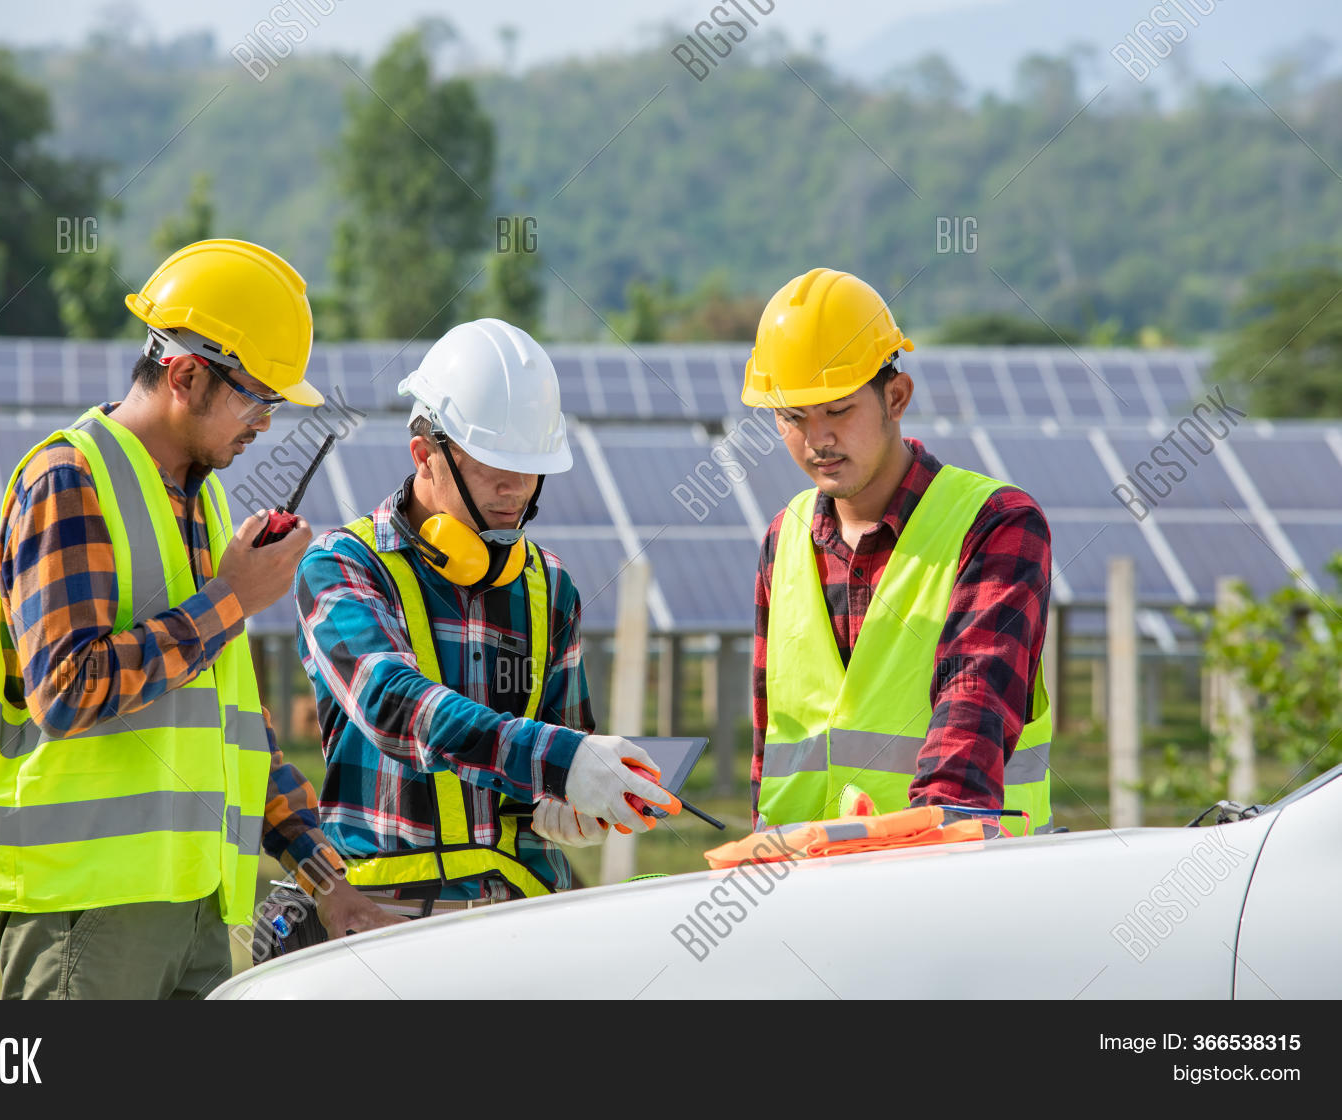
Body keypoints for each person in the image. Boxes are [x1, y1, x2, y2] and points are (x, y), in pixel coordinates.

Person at [0, 238, 393, 999]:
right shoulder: (70, 479)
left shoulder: (202, 500)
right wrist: (230, 600)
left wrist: (326, 878)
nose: (266, 422)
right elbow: (67, 689)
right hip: (84, 910)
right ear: (188, 374)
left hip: (192, 908)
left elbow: (231, 729)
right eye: (259, 396)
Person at [293, 317, 675, 920]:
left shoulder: (549, 586)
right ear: (425, 454)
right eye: (494, 465)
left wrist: (565, 807)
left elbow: (562, 744)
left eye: (531, 465)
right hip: (384, 918)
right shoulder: (342, 566)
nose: (517, 488)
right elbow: (395, 708)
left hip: (519, 918)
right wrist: (558, 760)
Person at [746, 268, 1054, 835]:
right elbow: (771, 744)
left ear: (896, 396)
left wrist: (928, 839)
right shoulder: (782, 538)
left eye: (837, 410)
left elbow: (975, 699)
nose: (818, 439)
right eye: (793, 416)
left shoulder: (996, 524)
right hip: (799, 894)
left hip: (947, 879)